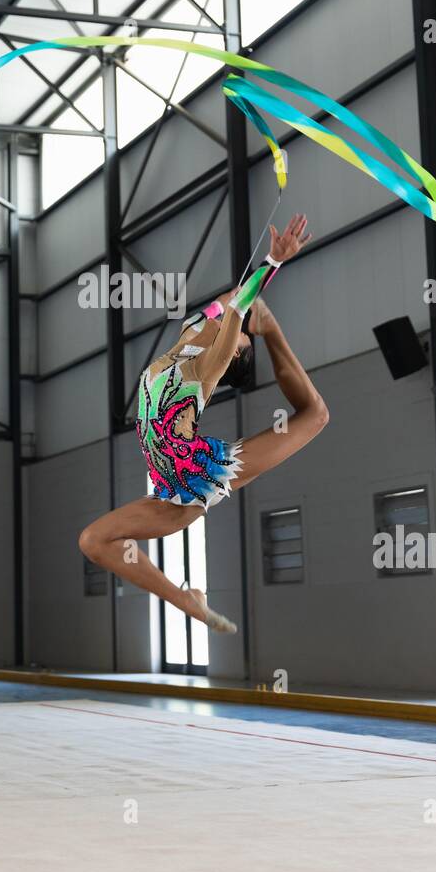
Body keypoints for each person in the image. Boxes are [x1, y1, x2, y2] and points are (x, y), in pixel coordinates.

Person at [78, 214, 328, 632]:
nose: (238, 328)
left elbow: (236, 309)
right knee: (92, 541)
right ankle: (188, 600)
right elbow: (232, 301)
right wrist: (259, 279)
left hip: (195, 479)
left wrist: (274, 262)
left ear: (234, 352)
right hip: (166, 486)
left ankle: (187, 603)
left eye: (244, 335)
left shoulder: (206, 368)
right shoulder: (195, 329)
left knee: (316, 416)